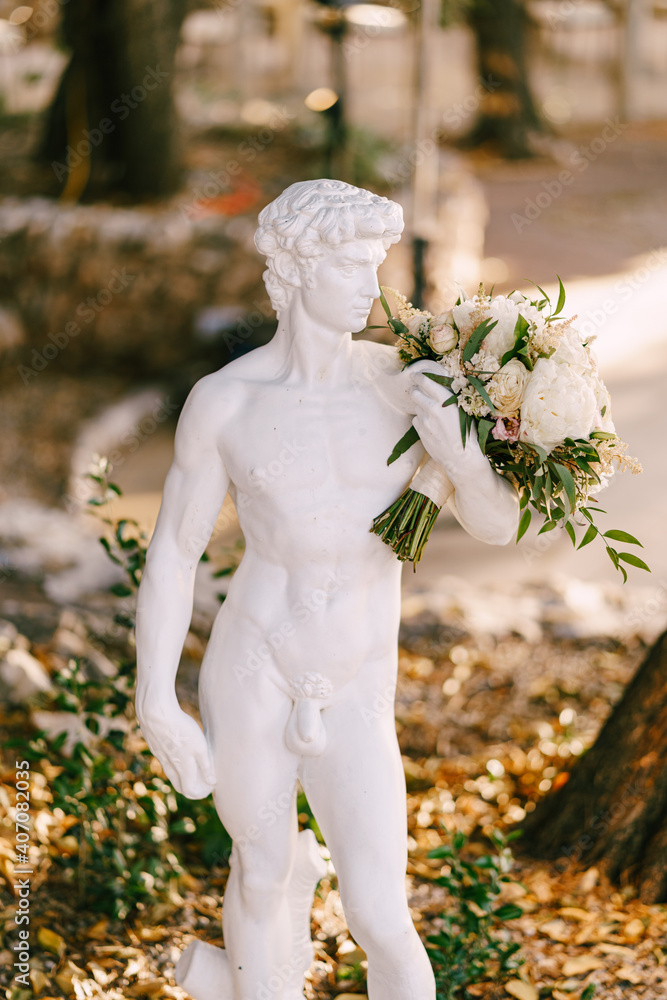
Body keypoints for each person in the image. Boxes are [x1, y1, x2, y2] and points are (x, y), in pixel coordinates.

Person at [135, 179, 518, 1000]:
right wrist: (155, 699)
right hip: (253, 669)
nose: (371, 287)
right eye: (349, 266)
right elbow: (173, 552)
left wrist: (459, 454)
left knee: (381, 914)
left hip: (356, 686)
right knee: (260, 872)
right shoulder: (226, 402)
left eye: (374, 265)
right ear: (297, 269)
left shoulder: (406, 386)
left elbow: (495, 525)